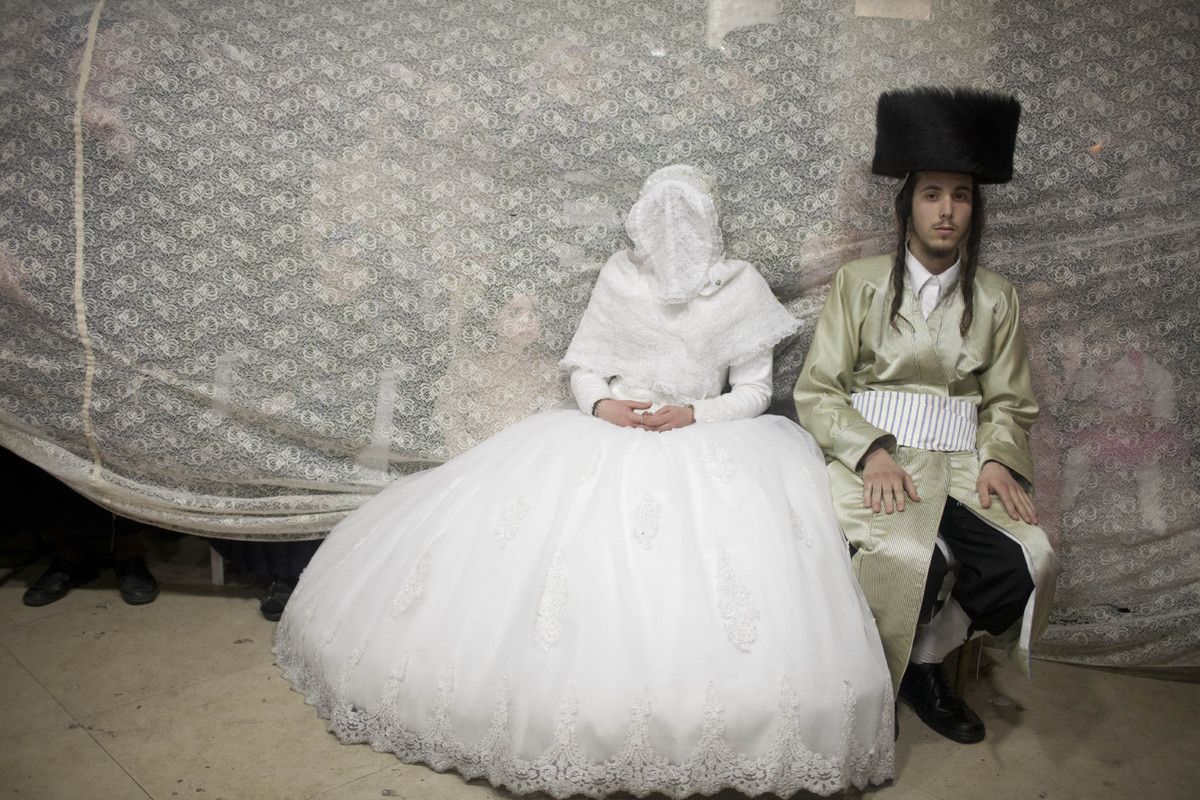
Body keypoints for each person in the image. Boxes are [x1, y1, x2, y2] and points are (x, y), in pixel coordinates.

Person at [274, 165, 894, 797]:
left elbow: (757, 390)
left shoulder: (740, 286)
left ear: (711, 223)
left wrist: (694, 413)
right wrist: (603, 406)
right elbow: (585, 366)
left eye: (688, 220)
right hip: (611, 434)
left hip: (708, 440)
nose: (673, 233)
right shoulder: (620, 278)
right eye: (659, 218)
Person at [793, 87, 1061, 745]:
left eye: (962, 195)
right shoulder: (859, 283)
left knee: (1028, 559)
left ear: (976, 208)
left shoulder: (996, 297)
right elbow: (819, 390)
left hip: (963, 460)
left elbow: (1008, 399)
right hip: (878, 461)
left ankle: (926, 660)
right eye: (932, 193)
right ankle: (869, 685)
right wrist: (871, 452)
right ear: (907, 203)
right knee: (912, 556)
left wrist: (999, 457)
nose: (947, 211)